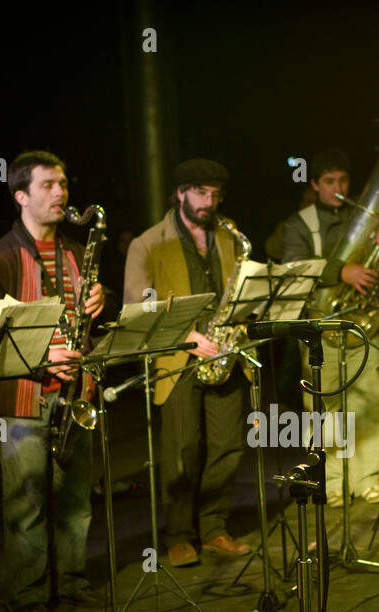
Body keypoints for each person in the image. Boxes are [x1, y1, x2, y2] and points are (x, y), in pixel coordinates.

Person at [0, 150, 106, 612]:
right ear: (21, 195)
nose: (61, 193)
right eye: (48, 185)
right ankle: (26, 595)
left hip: (74, 393)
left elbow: (79, 324)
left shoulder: (72, 251)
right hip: (22, 396)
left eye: (64, 183)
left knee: (74, 498)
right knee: (25, 502)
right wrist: (45, 357)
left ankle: (70, 581)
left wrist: (96, 304)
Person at [122, 158, 252, 568]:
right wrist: (188, 337)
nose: (208, 202)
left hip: (224, 353)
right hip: (178, 357)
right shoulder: (148, 243)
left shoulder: (229, 236)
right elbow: (136, 309)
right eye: (199, 192)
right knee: (182, 450)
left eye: (215, 194)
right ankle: (179, 535)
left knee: (228, 446)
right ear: (180, 193)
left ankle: (213, 526)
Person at [275, 147, 379, 505]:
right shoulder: (297, 224)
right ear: (314, 184)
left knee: (370, 404)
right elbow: (293, 266)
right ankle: (334, 481)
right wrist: (341, 271)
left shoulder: (366, 214)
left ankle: (367, 478)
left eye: (343, 180)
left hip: (360, 326)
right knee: (325, 412)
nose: (337, 188)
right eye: (328, 182)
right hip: (318, 331)